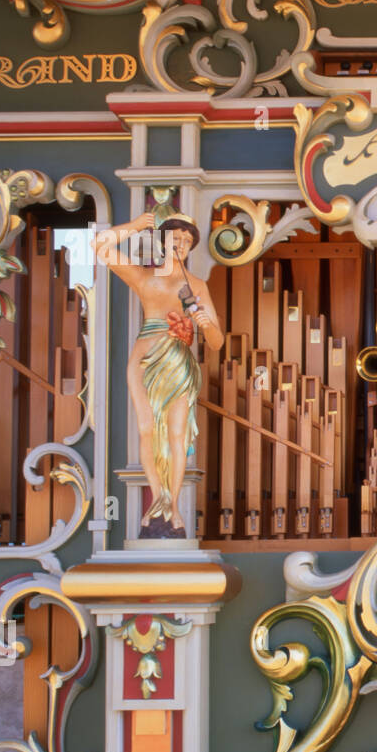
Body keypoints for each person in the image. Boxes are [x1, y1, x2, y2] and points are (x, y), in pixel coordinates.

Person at [94, 213, 222, 534]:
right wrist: (136, 225)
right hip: (144, 358)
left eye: (187, 241)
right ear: (162, 241)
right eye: (175, 238)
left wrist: (205, 324)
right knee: (146, 429)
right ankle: (157, 502)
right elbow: (99, 245)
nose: (181, 244)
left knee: (177, 433)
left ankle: (173, 504)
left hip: (178, 360)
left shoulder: (197, 286)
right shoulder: (143, 277)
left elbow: (218, 342)